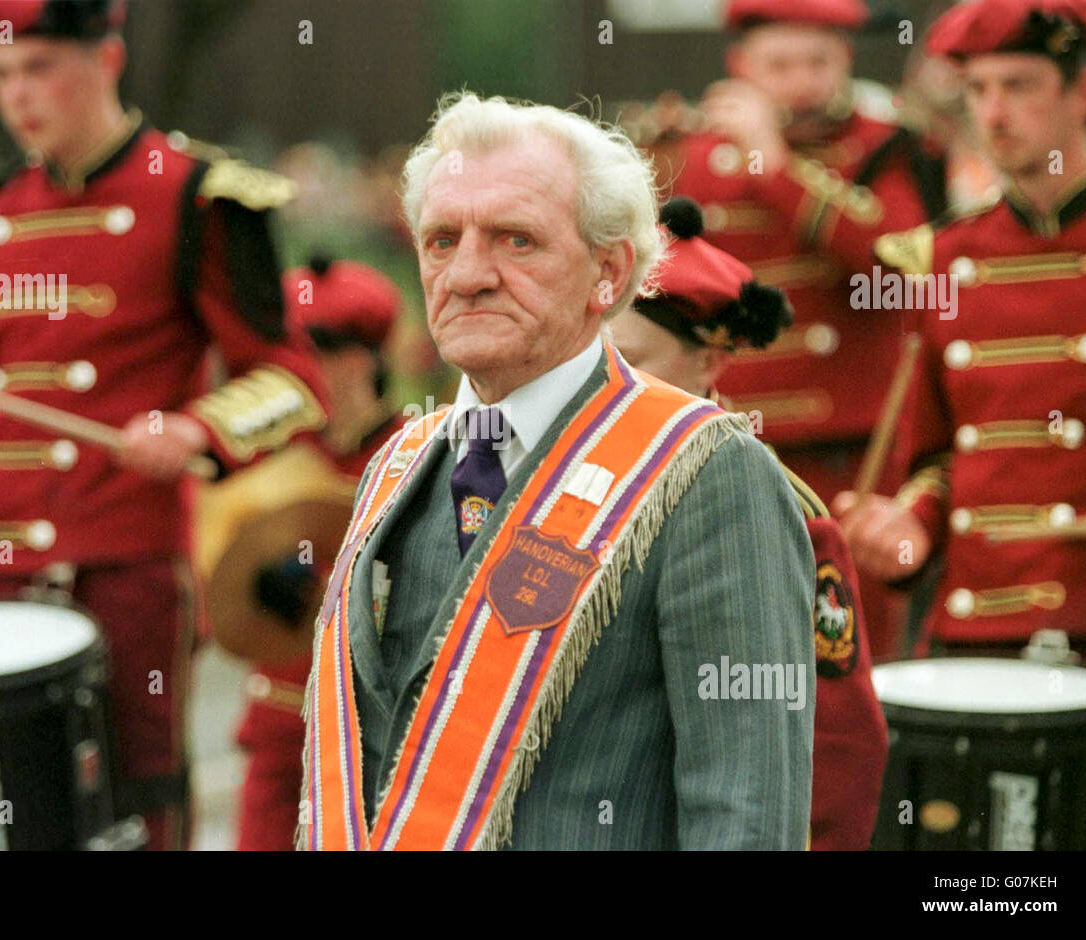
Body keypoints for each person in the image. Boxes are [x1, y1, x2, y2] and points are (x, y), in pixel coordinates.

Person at [0, 0, 327, 849]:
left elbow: (294, 379)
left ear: (108, 57)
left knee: (128, 803)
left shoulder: (196, 198)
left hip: (119, 576)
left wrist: (195, 431)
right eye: (1, 76)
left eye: (39, 68)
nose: (18, 96)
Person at [299, 93, 815, 851]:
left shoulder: (712, 473)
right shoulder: (398, 463)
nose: (468, 274)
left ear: (609, 274)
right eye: (442, 239)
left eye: (516, 240)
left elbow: (746, 813)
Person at [657, 0, 950, 658]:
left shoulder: (888, 148)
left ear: (846, 60)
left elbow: (897, 264)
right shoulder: (687, 156)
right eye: (779, 64)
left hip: (854, 462)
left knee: (850, 658)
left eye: (818, 61)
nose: (801, 81)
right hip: (727, 452)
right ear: (739, 68)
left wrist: (775, 164)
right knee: (734, 650)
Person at [609, 197, 887, 850]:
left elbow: (837, 747)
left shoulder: (785, 513)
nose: (610, 385)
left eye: (633, 361)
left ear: (710, 361)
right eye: (595, 362)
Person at [839, 0, 1086, 666]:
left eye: (1019, 86)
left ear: (1084, 93)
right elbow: (936, 460)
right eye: (978, 90)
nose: (993, 113)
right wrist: (908, 531)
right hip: (971, 629)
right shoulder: (948, 258)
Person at [233, 254, 405, 851]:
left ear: (358, 359)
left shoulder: (412, 458)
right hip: (277, 730)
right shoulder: (268, 457)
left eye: (307, 356)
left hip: (369, 737)